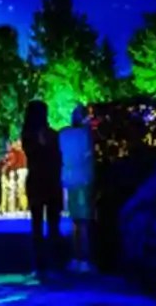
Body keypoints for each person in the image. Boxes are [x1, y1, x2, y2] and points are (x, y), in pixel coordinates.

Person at [21, 100, 63, 279]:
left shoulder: (28, 135)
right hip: (49, 181)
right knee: (50, 224)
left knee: (39, 224)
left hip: (38, 180)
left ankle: (42, 264)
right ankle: (51, 263)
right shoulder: (51, 134)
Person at [59, 105, 95, 274]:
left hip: (68, 180)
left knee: (74, 222)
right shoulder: (85, 135)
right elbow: (88, 157)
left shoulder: (63, 135)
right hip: (83, 181)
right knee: (84, 223)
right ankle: (85, 259)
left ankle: (75, 257)